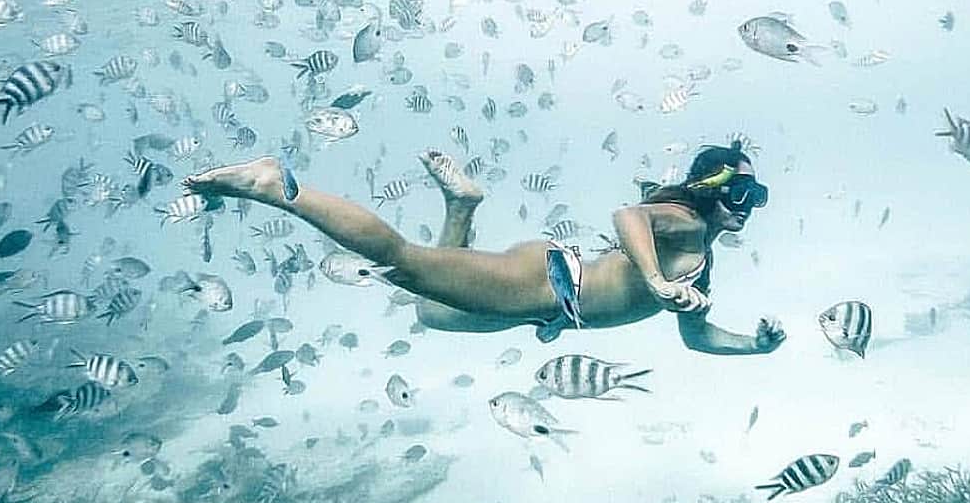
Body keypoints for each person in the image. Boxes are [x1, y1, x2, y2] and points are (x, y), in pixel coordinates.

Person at [183, 140, 785, 355]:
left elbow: (698, 337)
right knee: (404, 263)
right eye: (742, 190)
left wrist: (754, 346)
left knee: (429, 312)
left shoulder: (705, 254)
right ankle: (273, 185)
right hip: (546, 282)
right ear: (711, 189)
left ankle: (461, 205)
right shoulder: (683, 223)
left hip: (548, 307)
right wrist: (655, 282)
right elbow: (628, 217)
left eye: (758, 196)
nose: (749, 205)